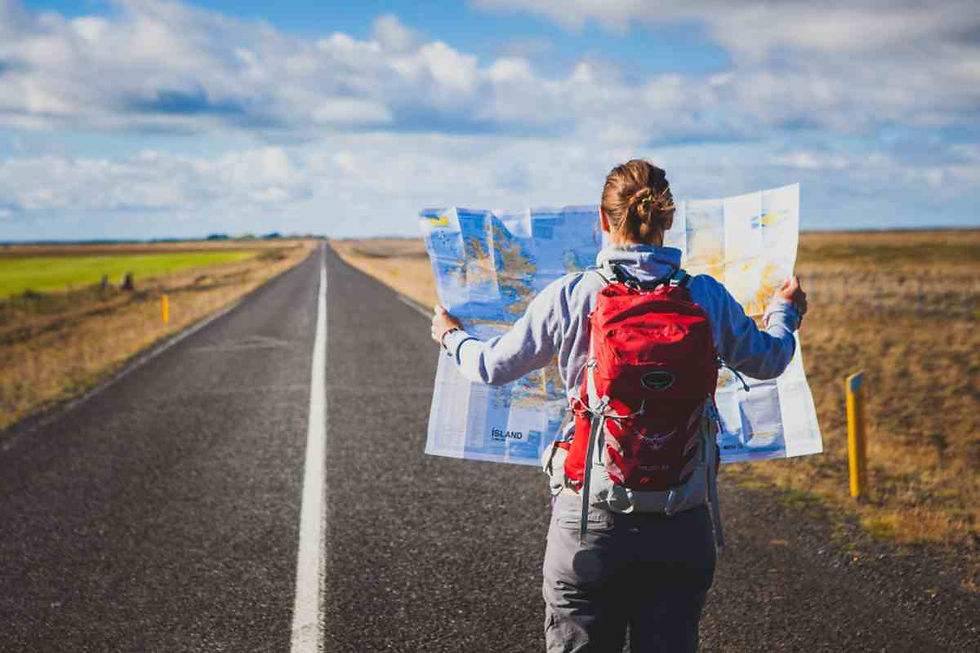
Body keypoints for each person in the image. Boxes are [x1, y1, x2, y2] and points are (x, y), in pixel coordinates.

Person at [429, 159, 807, 652]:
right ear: (669, 220)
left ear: (602, 220)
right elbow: (770, 358)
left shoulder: (572, 295)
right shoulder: (706, 296)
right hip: (682, 521)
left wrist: (451, 336)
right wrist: (785, 312)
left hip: (590, 520)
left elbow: (492, 368)